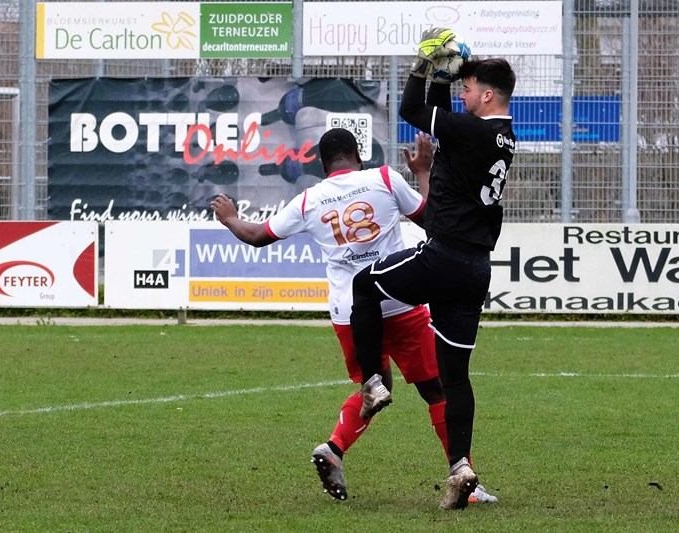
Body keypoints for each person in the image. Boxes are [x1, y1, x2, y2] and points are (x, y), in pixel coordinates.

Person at [210, 128, 498, 505]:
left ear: (321, 164)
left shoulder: (308, 200)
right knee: (437, 390)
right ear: (358, 154)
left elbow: (258, 235)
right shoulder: (383, 178)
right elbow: (433, 220)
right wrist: (424, 171)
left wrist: (231, 218)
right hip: (399, 300)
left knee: (375, 387)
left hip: (349, 313)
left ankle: (334, 448)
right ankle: (466, 481)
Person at [349, 28, 517, 510]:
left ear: (487, 95)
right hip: (474, 269)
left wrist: (424, 67)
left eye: (467, 89)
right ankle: (461, 467)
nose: (462, 95)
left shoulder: (473, 130)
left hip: (443, 256)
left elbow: (410, 113)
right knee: (455, 377)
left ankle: (372, 383)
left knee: (365, 285)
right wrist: (446, 77)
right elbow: (438, 120)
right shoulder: (502, 134)